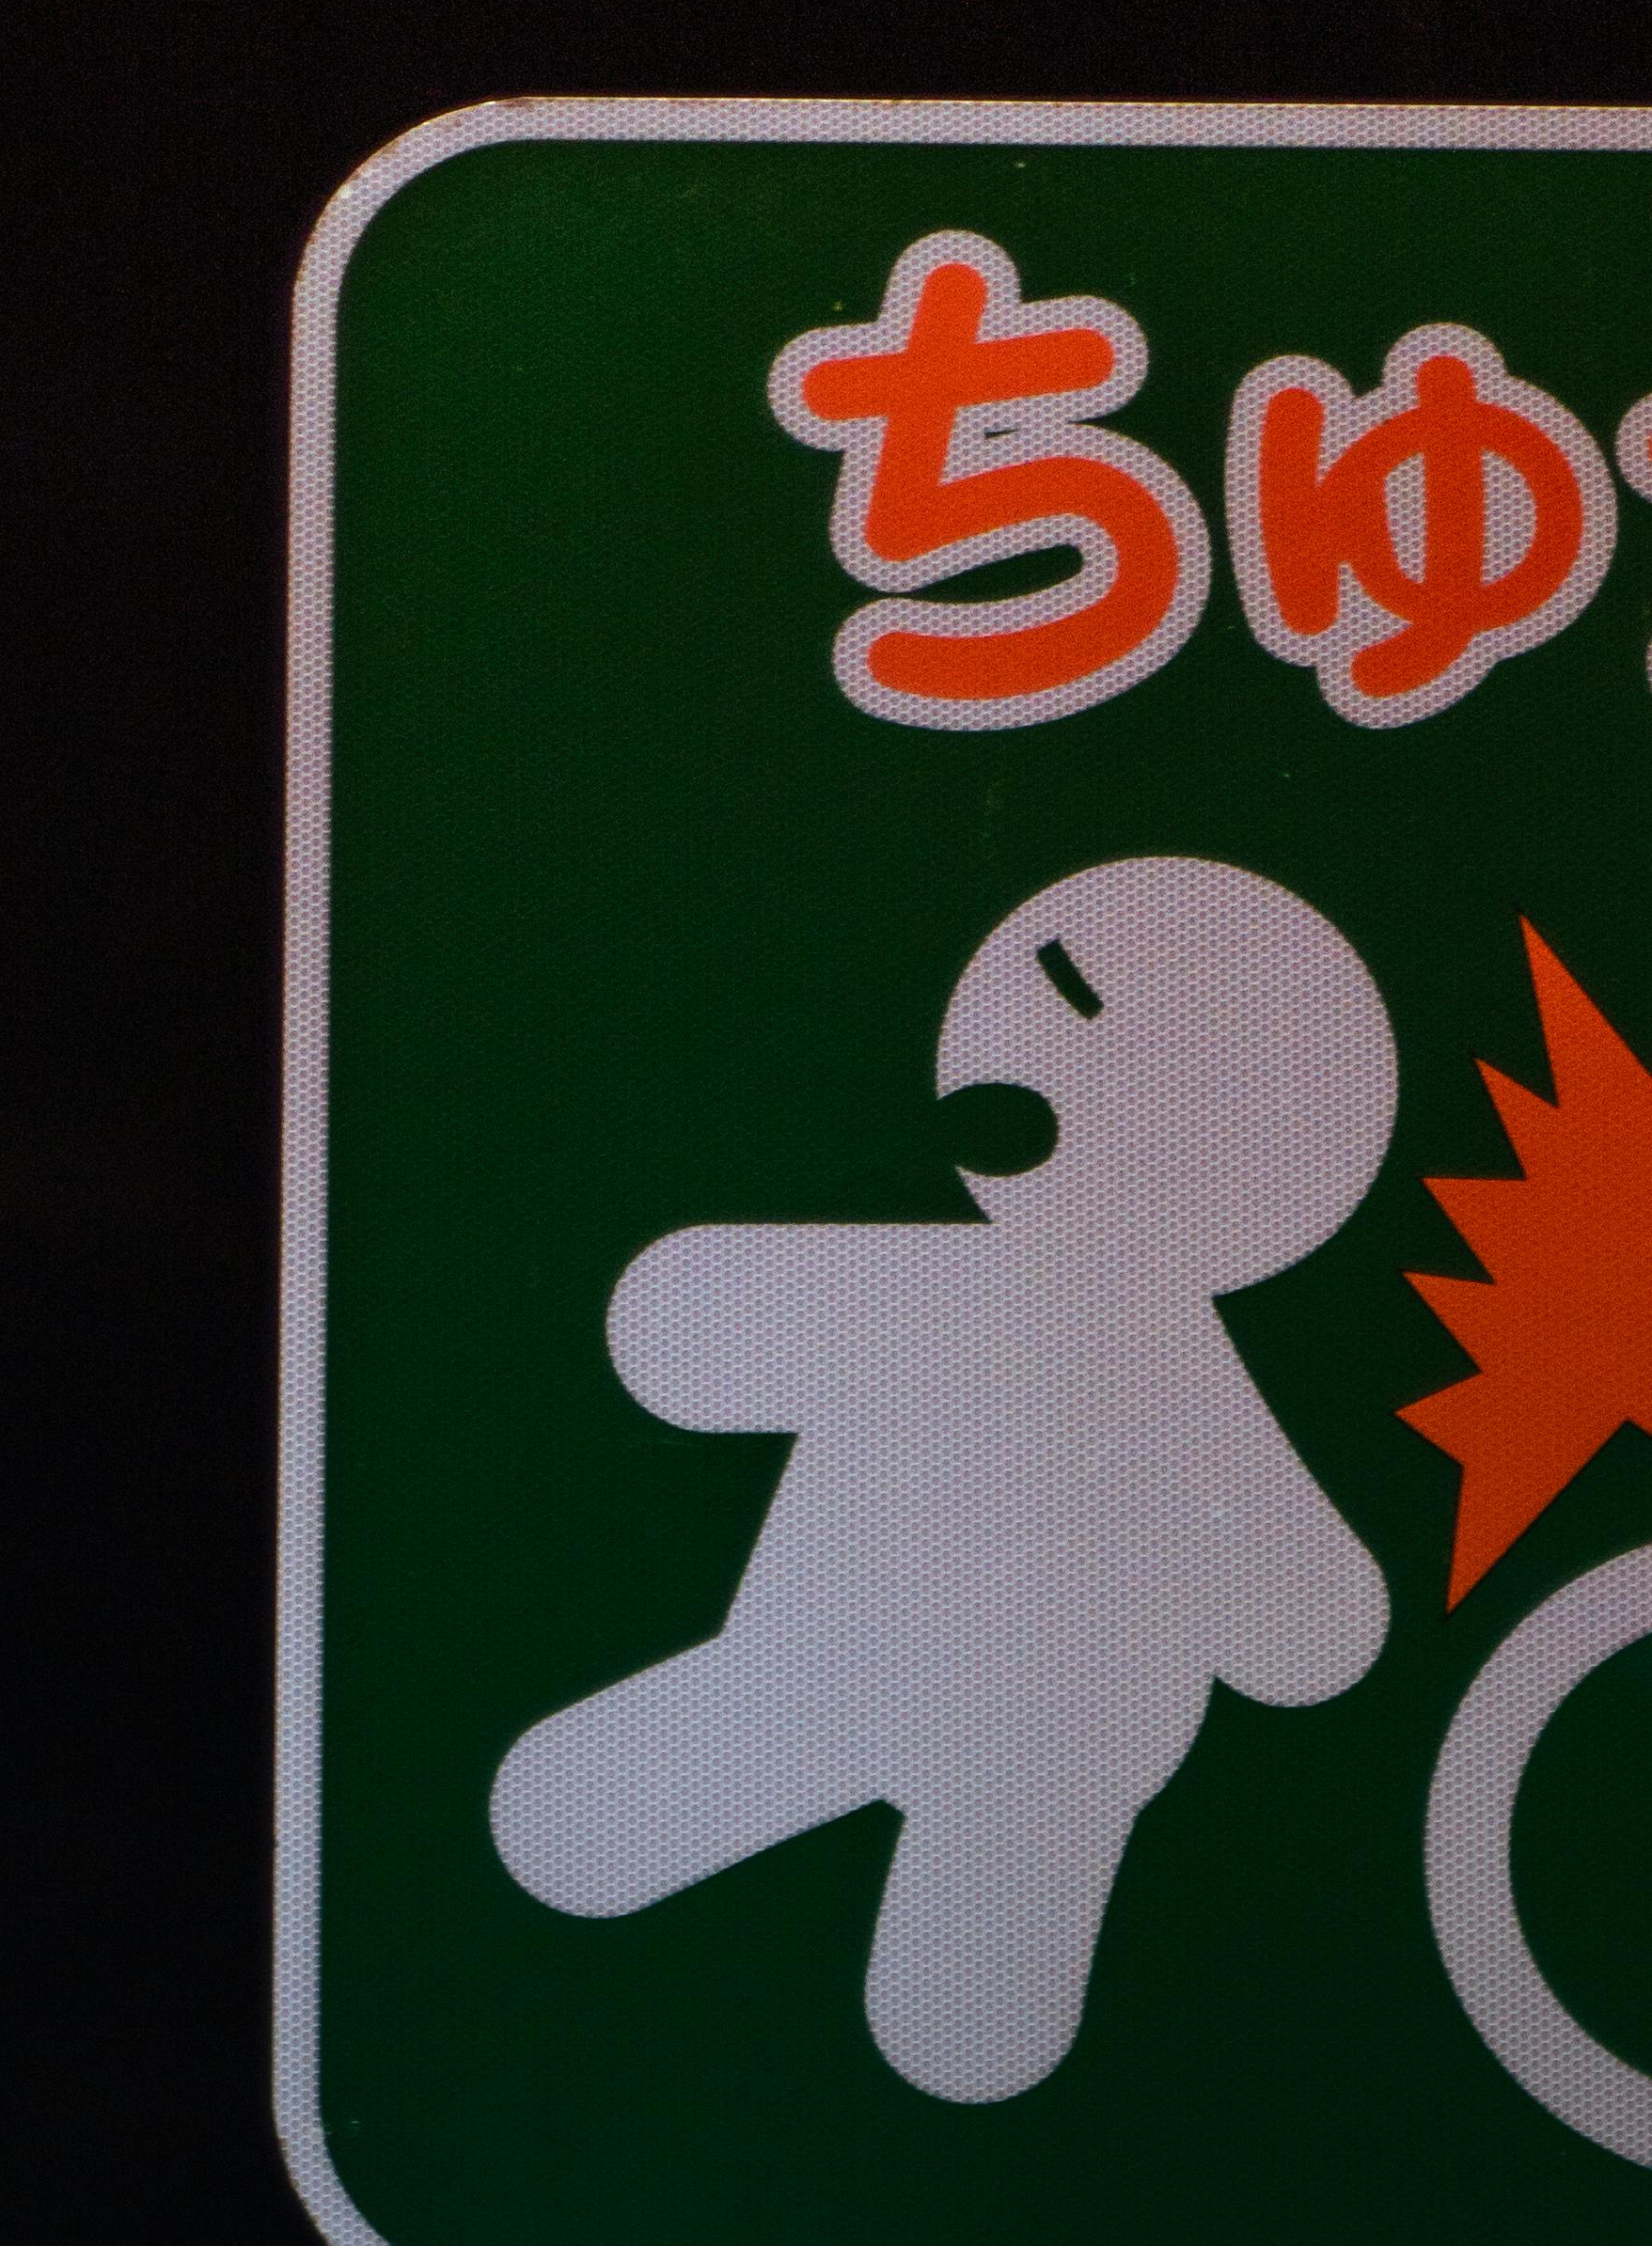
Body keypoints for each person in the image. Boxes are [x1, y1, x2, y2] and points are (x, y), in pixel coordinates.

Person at [489, 854, 1397, 2104]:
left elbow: (1308, 1628)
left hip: (1035, 1735)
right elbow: (677, 1331)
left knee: (970, 2000)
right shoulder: (949, 1289)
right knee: (591, 1818)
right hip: (834, 1662)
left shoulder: (1157, 1354)